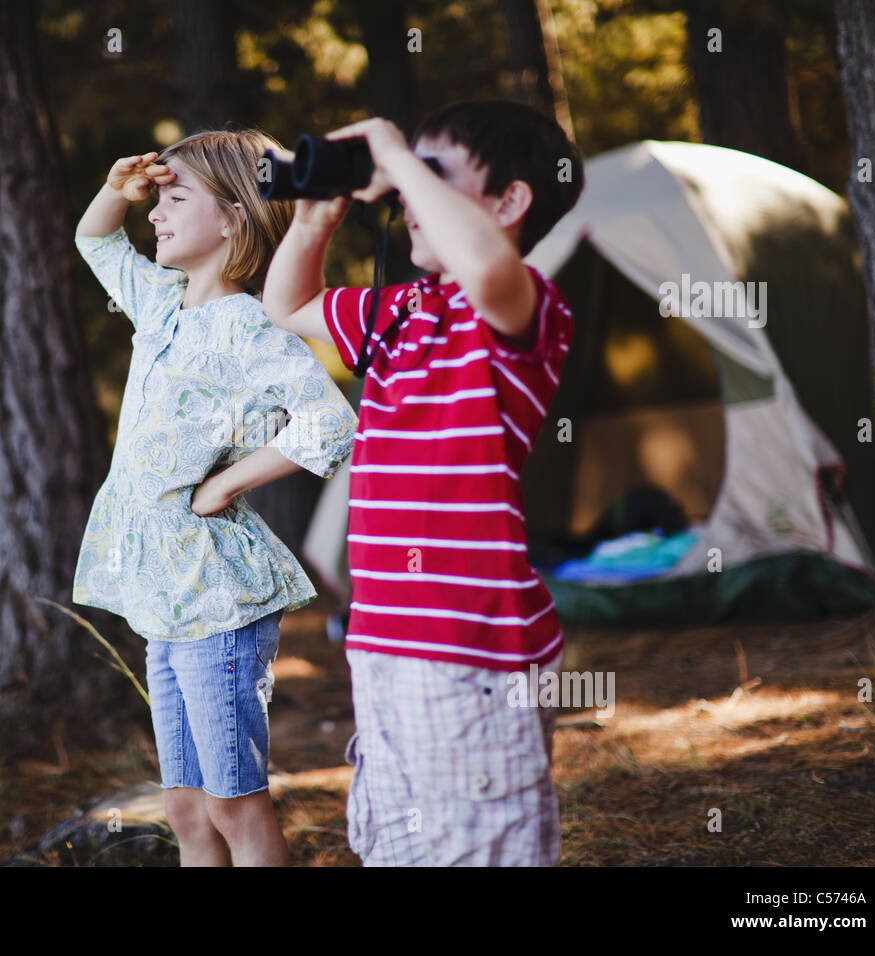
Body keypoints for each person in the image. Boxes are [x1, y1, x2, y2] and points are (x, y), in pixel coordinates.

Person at [262, 100, 584, 865]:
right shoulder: (400, 309)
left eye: (432, 175)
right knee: (397, 839)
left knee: (476, 845)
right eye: (406, 178)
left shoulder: (522, 305)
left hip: (470, 641)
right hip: (384, 638)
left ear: (508, 202)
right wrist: (313, 221)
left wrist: (394, 154)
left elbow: (491, 266)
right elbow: (288, 306)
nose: (407, 194)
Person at [73, 128, 357, 866]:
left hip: (217, 600)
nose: (155, 215)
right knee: (186, 806)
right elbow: (96, 241)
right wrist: (117, 189)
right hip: (165, 596)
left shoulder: (250, 328)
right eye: (157, 201)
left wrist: (227, 482)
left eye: (174, 200)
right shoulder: (162, 305)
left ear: (232, 217)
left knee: (233, 800)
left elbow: (332, 424)